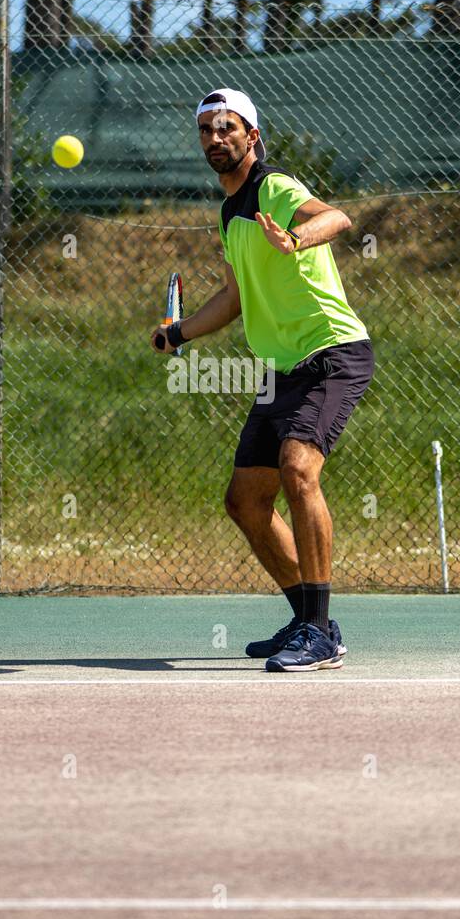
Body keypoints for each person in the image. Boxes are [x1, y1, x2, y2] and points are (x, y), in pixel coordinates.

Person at [151, 88, 373, 671]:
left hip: (332, 352)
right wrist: (180, 335)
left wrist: (296, 237)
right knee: (246, 501)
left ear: (252, 137)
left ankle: (321, 636)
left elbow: (337, 217)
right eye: (205, 129)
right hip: (281, 370)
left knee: (299, 470)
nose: (214, 137)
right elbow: (234, 298)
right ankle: (309, 618)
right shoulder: (228, 216)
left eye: (227, 127)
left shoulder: (274, 187)